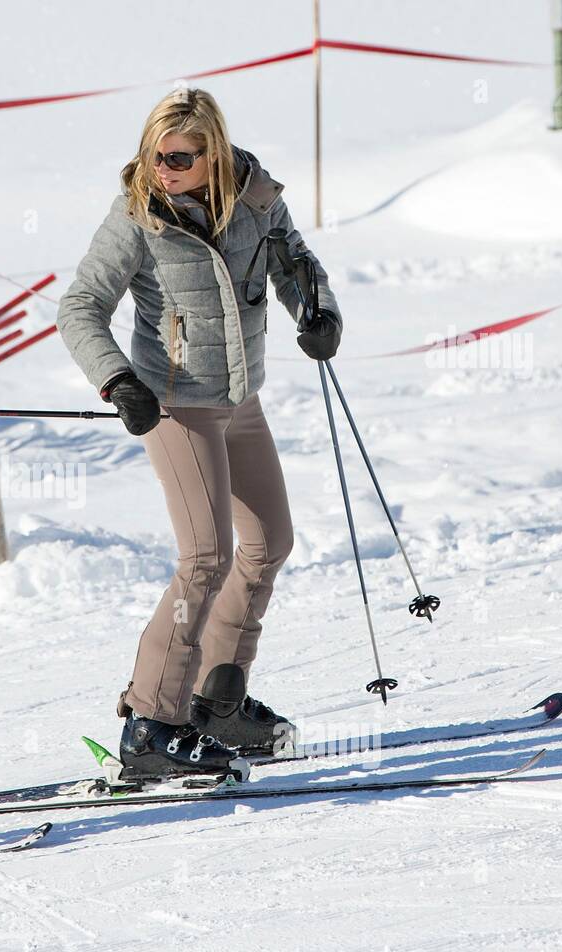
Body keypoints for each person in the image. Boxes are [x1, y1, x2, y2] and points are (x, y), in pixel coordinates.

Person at [56, 87, 342, 779]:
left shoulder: (255, 200)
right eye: (154, 154)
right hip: (174, 404)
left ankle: (218, 698)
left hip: (239, 399)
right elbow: (80, 305)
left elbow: (295, 264)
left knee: (269, 541)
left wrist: (319, 312)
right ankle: (154, 721)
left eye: (179, 157)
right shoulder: (138, 218)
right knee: (206, 557)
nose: (162, 168)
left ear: (214, 154)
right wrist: (118, 381)